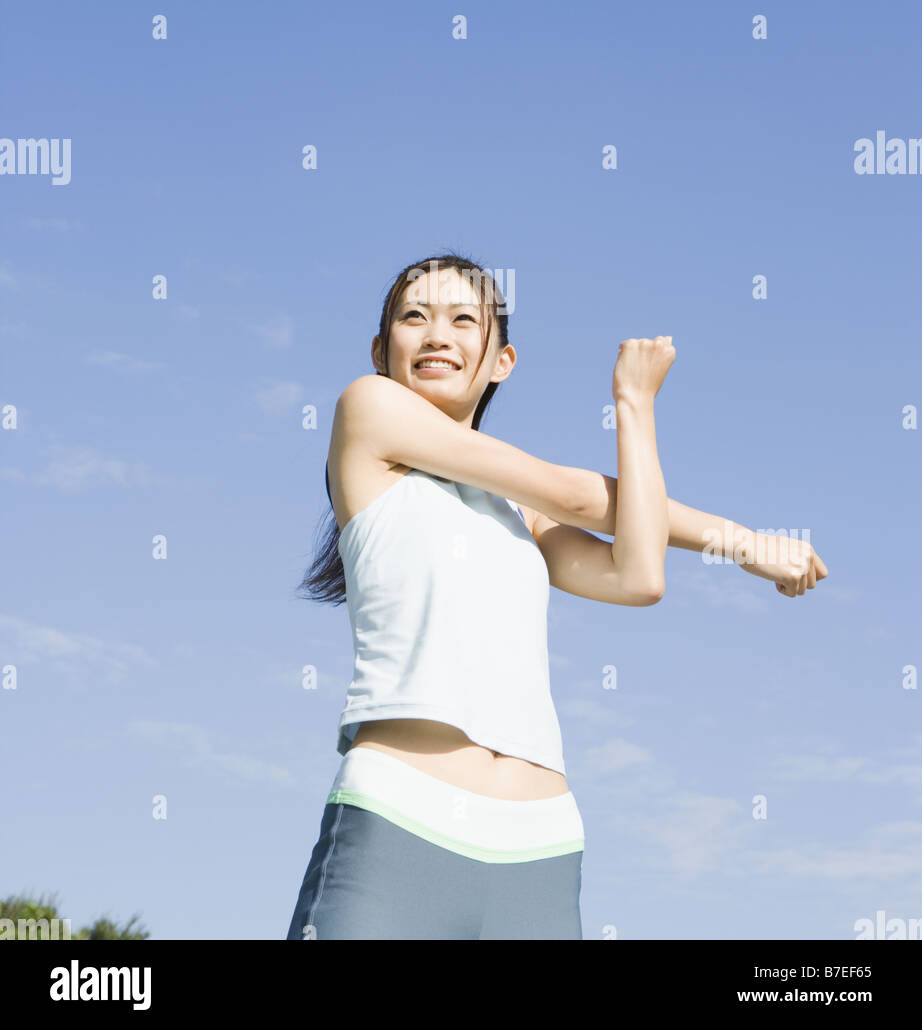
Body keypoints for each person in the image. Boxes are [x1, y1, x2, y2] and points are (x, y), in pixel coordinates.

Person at [284, 251, 828, 940]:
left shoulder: (517, 514)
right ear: (379, 348)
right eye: (413, 317)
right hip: (398, 822)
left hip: (538, 851)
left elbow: (639, 573)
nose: (436, 334)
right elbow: (573, 491)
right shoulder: (367, 410)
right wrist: (743, 541)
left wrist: (635, 409)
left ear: (501, 361)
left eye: (461, 318)